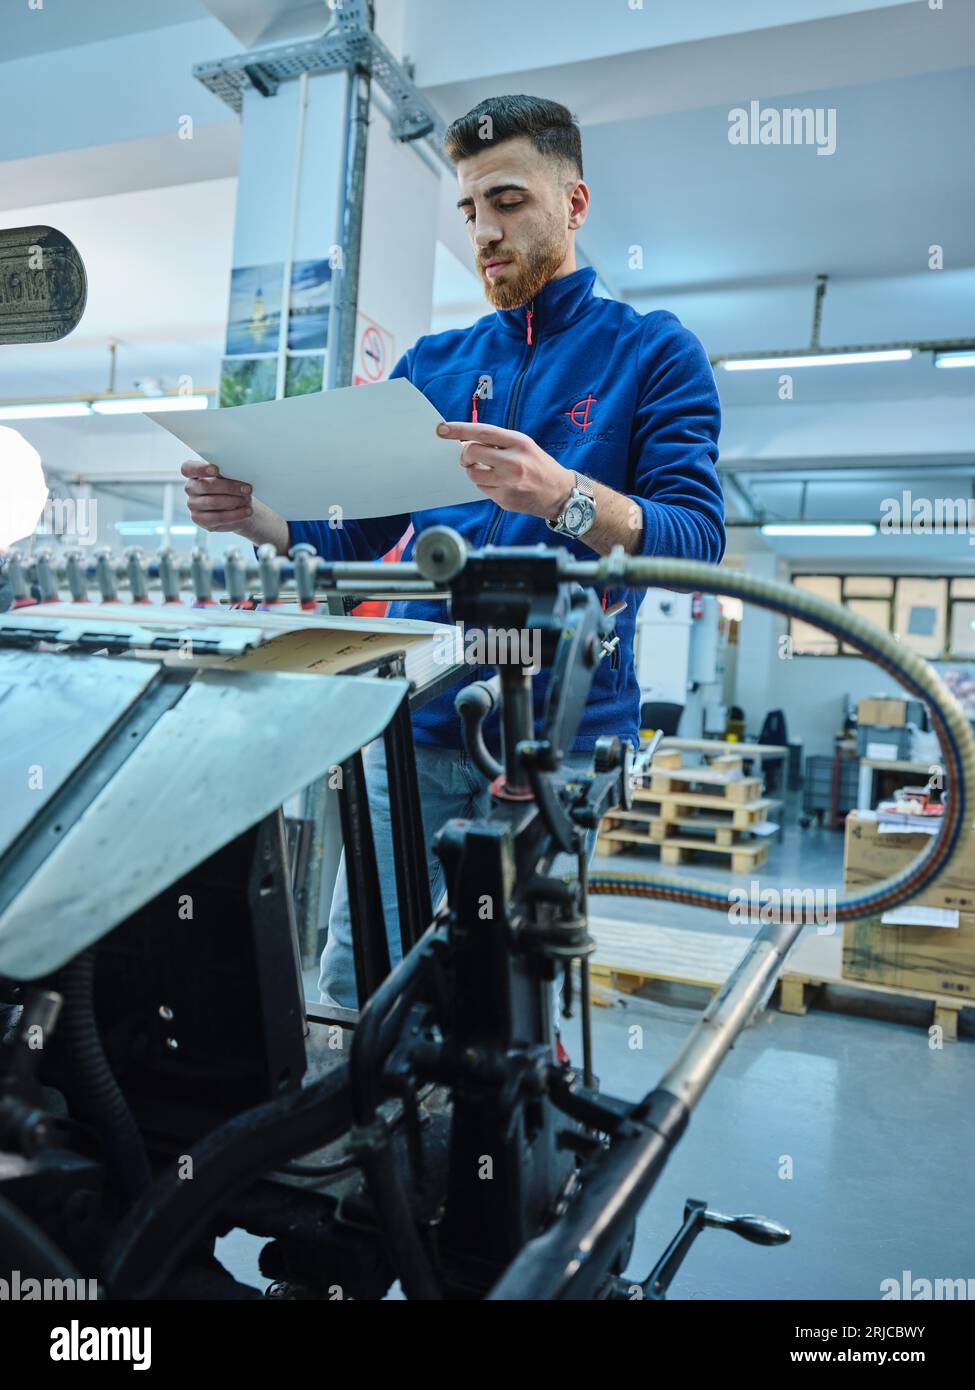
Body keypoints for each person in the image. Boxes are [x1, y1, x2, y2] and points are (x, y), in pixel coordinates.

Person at [184, 94, 726, 1009]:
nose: (485, 229)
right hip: (418, 725)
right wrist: (258, 519)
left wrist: (566, 496)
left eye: (508, 200)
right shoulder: (431, 366)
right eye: (470, 209)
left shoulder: (653, 353)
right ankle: (356, 1148)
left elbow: (693, 539)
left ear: (574, 204)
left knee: (502, 997)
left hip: (561, 739)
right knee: (363, 983)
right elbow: (348, 531)